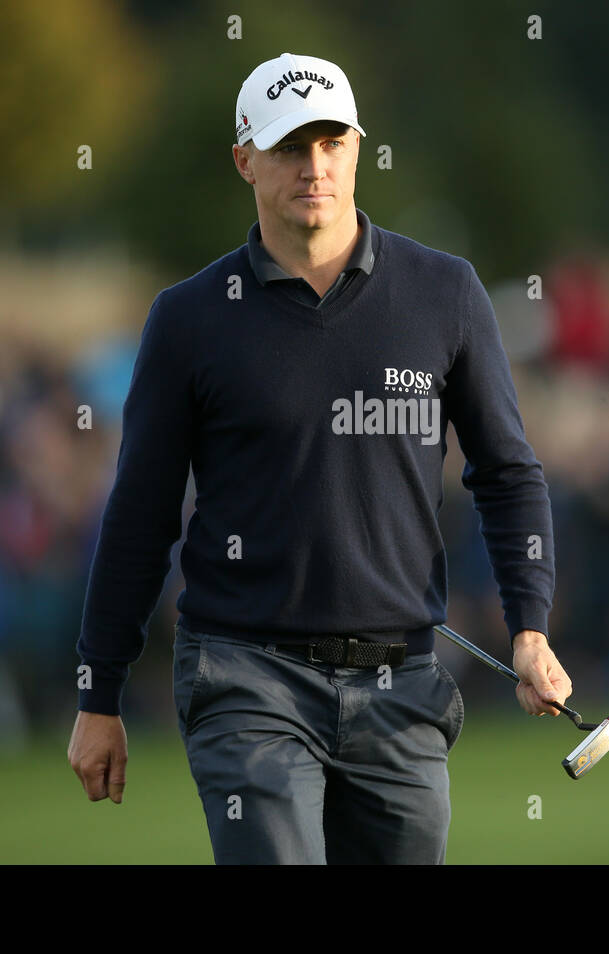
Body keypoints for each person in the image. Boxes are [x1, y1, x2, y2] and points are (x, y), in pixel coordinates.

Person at [68, 52, 572, 864]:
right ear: (245, 159)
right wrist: (100, 691)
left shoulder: (445, 292)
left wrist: (530, 627)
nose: (315, 167)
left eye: (332, 143)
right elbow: (141, 512)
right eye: (290, 148)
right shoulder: (189, 319)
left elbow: (508, 473)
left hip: (402, 681)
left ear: (358, 148)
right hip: (245, 679)